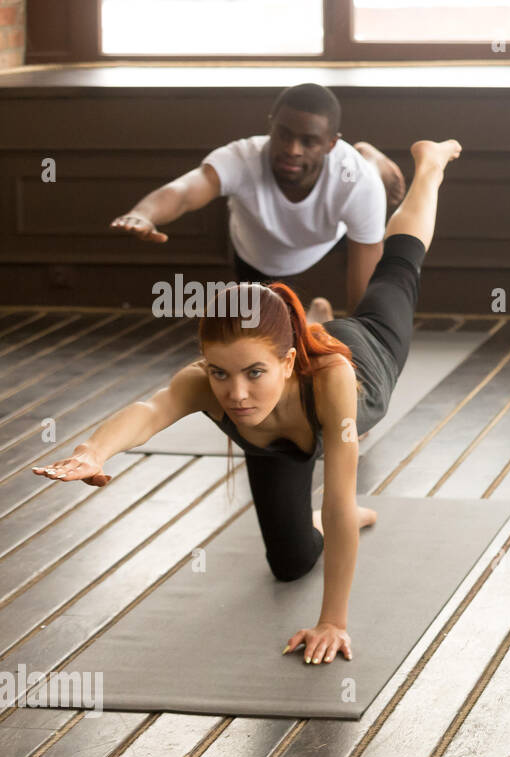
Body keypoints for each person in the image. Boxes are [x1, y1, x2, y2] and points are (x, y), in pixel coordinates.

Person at [35, 138, 463, 667]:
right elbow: (150, 412)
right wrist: (92, 452)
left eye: (253, 373)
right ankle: (307, 322)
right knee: (290, 563)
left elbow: (337, 496)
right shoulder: (205, 383)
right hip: (279, 425)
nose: (234, 395)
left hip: (361, 355)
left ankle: (429, 166)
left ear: (286, 363)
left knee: (398, 272)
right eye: (219, 373)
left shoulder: (331, 378)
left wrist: (332, 621)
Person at [109, 83, 406, 324]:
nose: (292, 150)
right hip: (258, 255)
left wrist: (359, 344)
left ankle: (371, 160)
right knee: (269, 336)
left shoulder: (357, 183)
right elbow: (185, 191)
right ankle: (314, 319)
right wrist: (144, 213)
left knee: (367, 185)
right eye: (284, 135)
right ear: (271, 127)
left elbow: (364, 293)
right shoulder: (242, 158)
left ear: (330, 144)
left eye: (308, 142)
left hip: (332, 235)